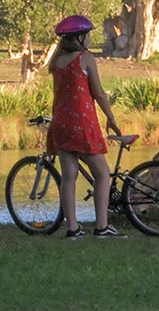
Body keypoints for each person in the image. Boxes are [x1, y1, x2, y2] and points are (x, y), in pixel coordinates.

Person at [47, 15, 125, 239]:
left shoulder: (58, 62)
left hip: (61, 122)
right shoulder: (86, 58)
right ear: (79, 37)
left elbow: (59, 95)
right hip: (82, 123)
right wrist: (111, 118)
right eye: (87, 34)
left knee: (68, 176)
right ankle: (102, 226)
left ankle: (73, 228)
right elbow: (98, 93)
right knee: (102, 174)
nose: (90, 38)